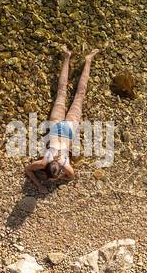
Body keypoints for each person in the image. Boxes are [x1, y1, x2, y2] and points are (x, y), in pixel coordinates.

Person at [26, 46, 97, 187]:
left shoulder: (63, 165)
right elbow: (28, 169)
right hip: (56, 125)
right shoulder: (44, 162)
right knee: (61, 91)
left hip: (69, 128)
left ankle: (87, 60)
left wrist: (40, 185)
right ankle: (67, 56)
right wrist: (51, 180)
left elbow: (70, 177)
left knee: (79, 95)